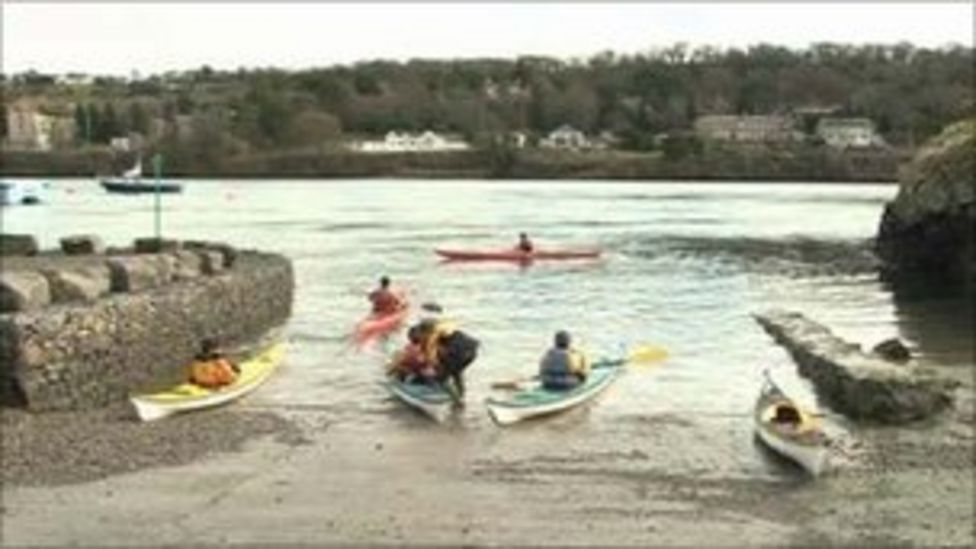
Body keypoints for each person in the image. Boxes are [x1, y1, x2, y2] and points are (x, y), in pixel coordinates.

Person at [416, 317, 479, 402]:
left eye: (422, 333)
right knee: (456, 373)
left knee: (441, 378)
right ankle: (461, 395)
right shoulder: (449, 330)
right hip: (471, 352)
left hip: (458, 354)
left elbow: (432, 356)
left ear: (426, 331)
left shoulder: (434, 335)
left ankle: (457, 400)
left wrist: (432, 368)